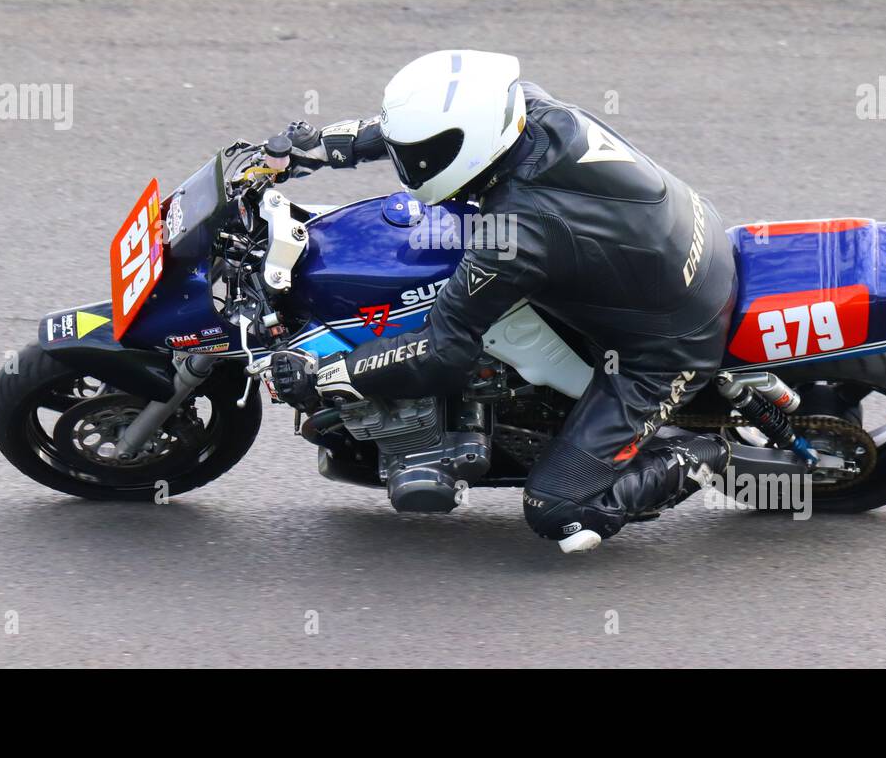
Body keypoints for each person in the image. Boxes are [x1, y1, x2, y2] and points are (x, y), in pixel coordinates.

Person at [270, 50, 736, 553]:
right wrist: (315, 149)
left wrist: (329, 374)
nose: (408, 165)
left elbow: (444, 350)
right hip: (677, 245)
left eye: (418, 155)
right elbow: (416, 131)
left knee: (558, 510)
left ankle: (703, 452)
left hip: (671, 342)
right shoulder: (525, 107)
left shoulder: (514, 232)